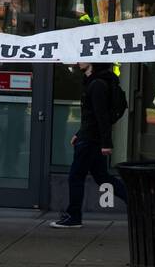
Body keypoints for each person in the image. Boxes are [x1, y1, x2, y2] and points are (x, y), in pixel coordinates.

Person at [51, 61, 127, 229]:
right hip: (89, 137)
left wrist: (106, 143)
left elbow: (102, 117)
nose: (79, 61)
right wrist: (79, 134)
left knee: (76, 176)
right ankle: (138, 204)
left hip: (91, 140)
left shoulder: (97, 84)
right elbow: (92, 116)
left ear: (93, 62)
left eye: (83, 57)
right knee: (102, 177)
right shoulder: (94, 81)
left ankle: (74, 216)